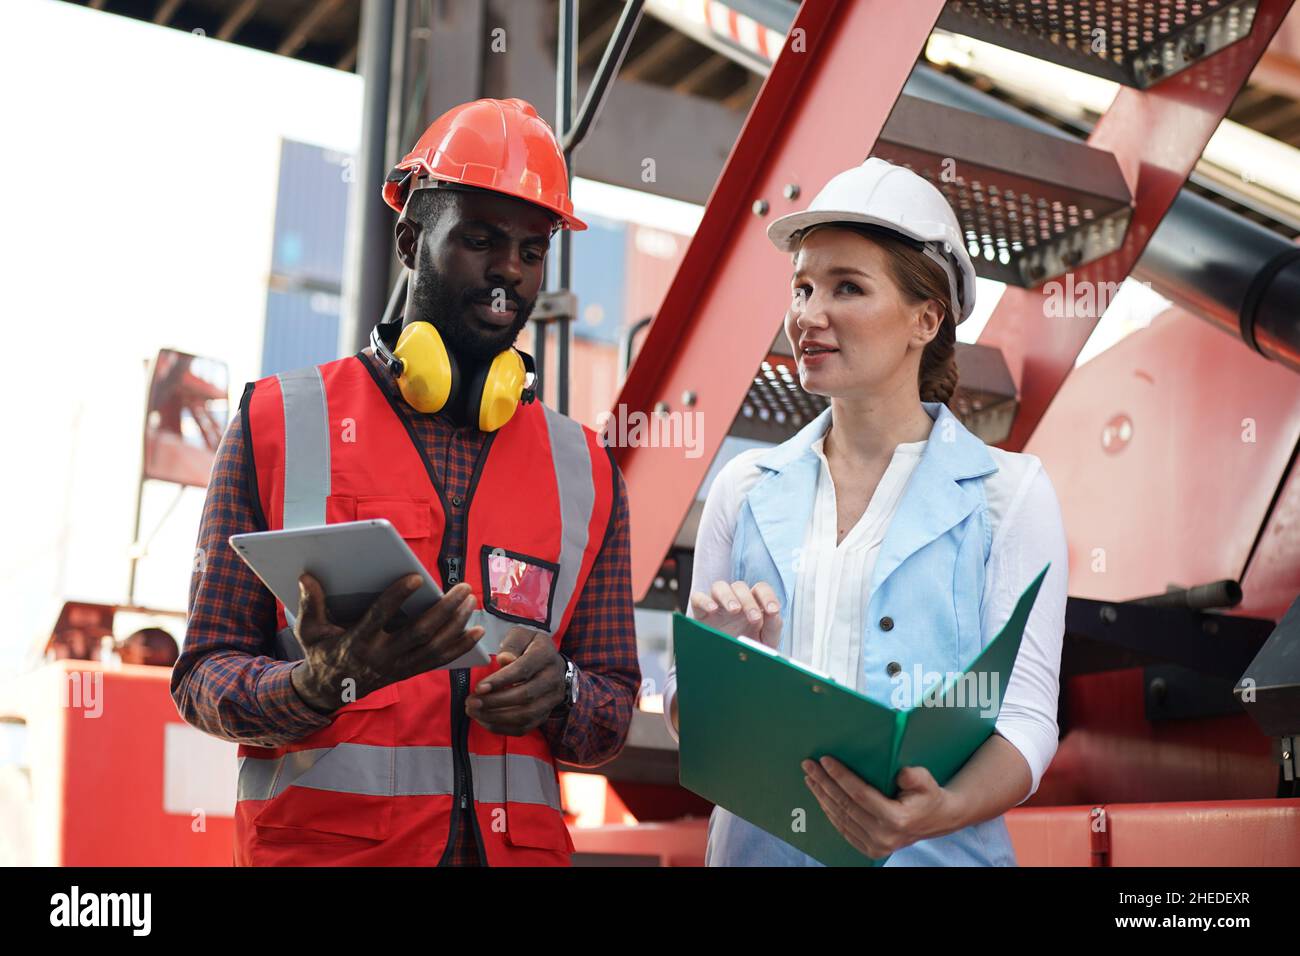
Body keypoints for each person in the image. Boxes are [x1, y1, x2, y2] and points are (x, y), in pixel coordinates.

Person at [173, 98, 641, 867]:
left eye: (532, 249)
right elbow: (201, 675)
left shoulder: (585, 469)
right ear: (410, 239)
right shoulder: (276, 422)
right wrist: (315, 685)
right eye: (480, 239)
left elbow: (612, 711)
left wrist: (563, 693)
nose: (509, 272)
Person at [662, 158, 1069, 866]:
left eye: (847, 287)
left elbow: (1027, 718)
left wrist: (939, 811)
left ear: (925, 318)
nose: (809, 315)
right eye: (803, 287)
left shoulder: (1010, 496)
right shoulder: (745, 488)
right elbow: (690, 716)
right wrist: (713, 665)